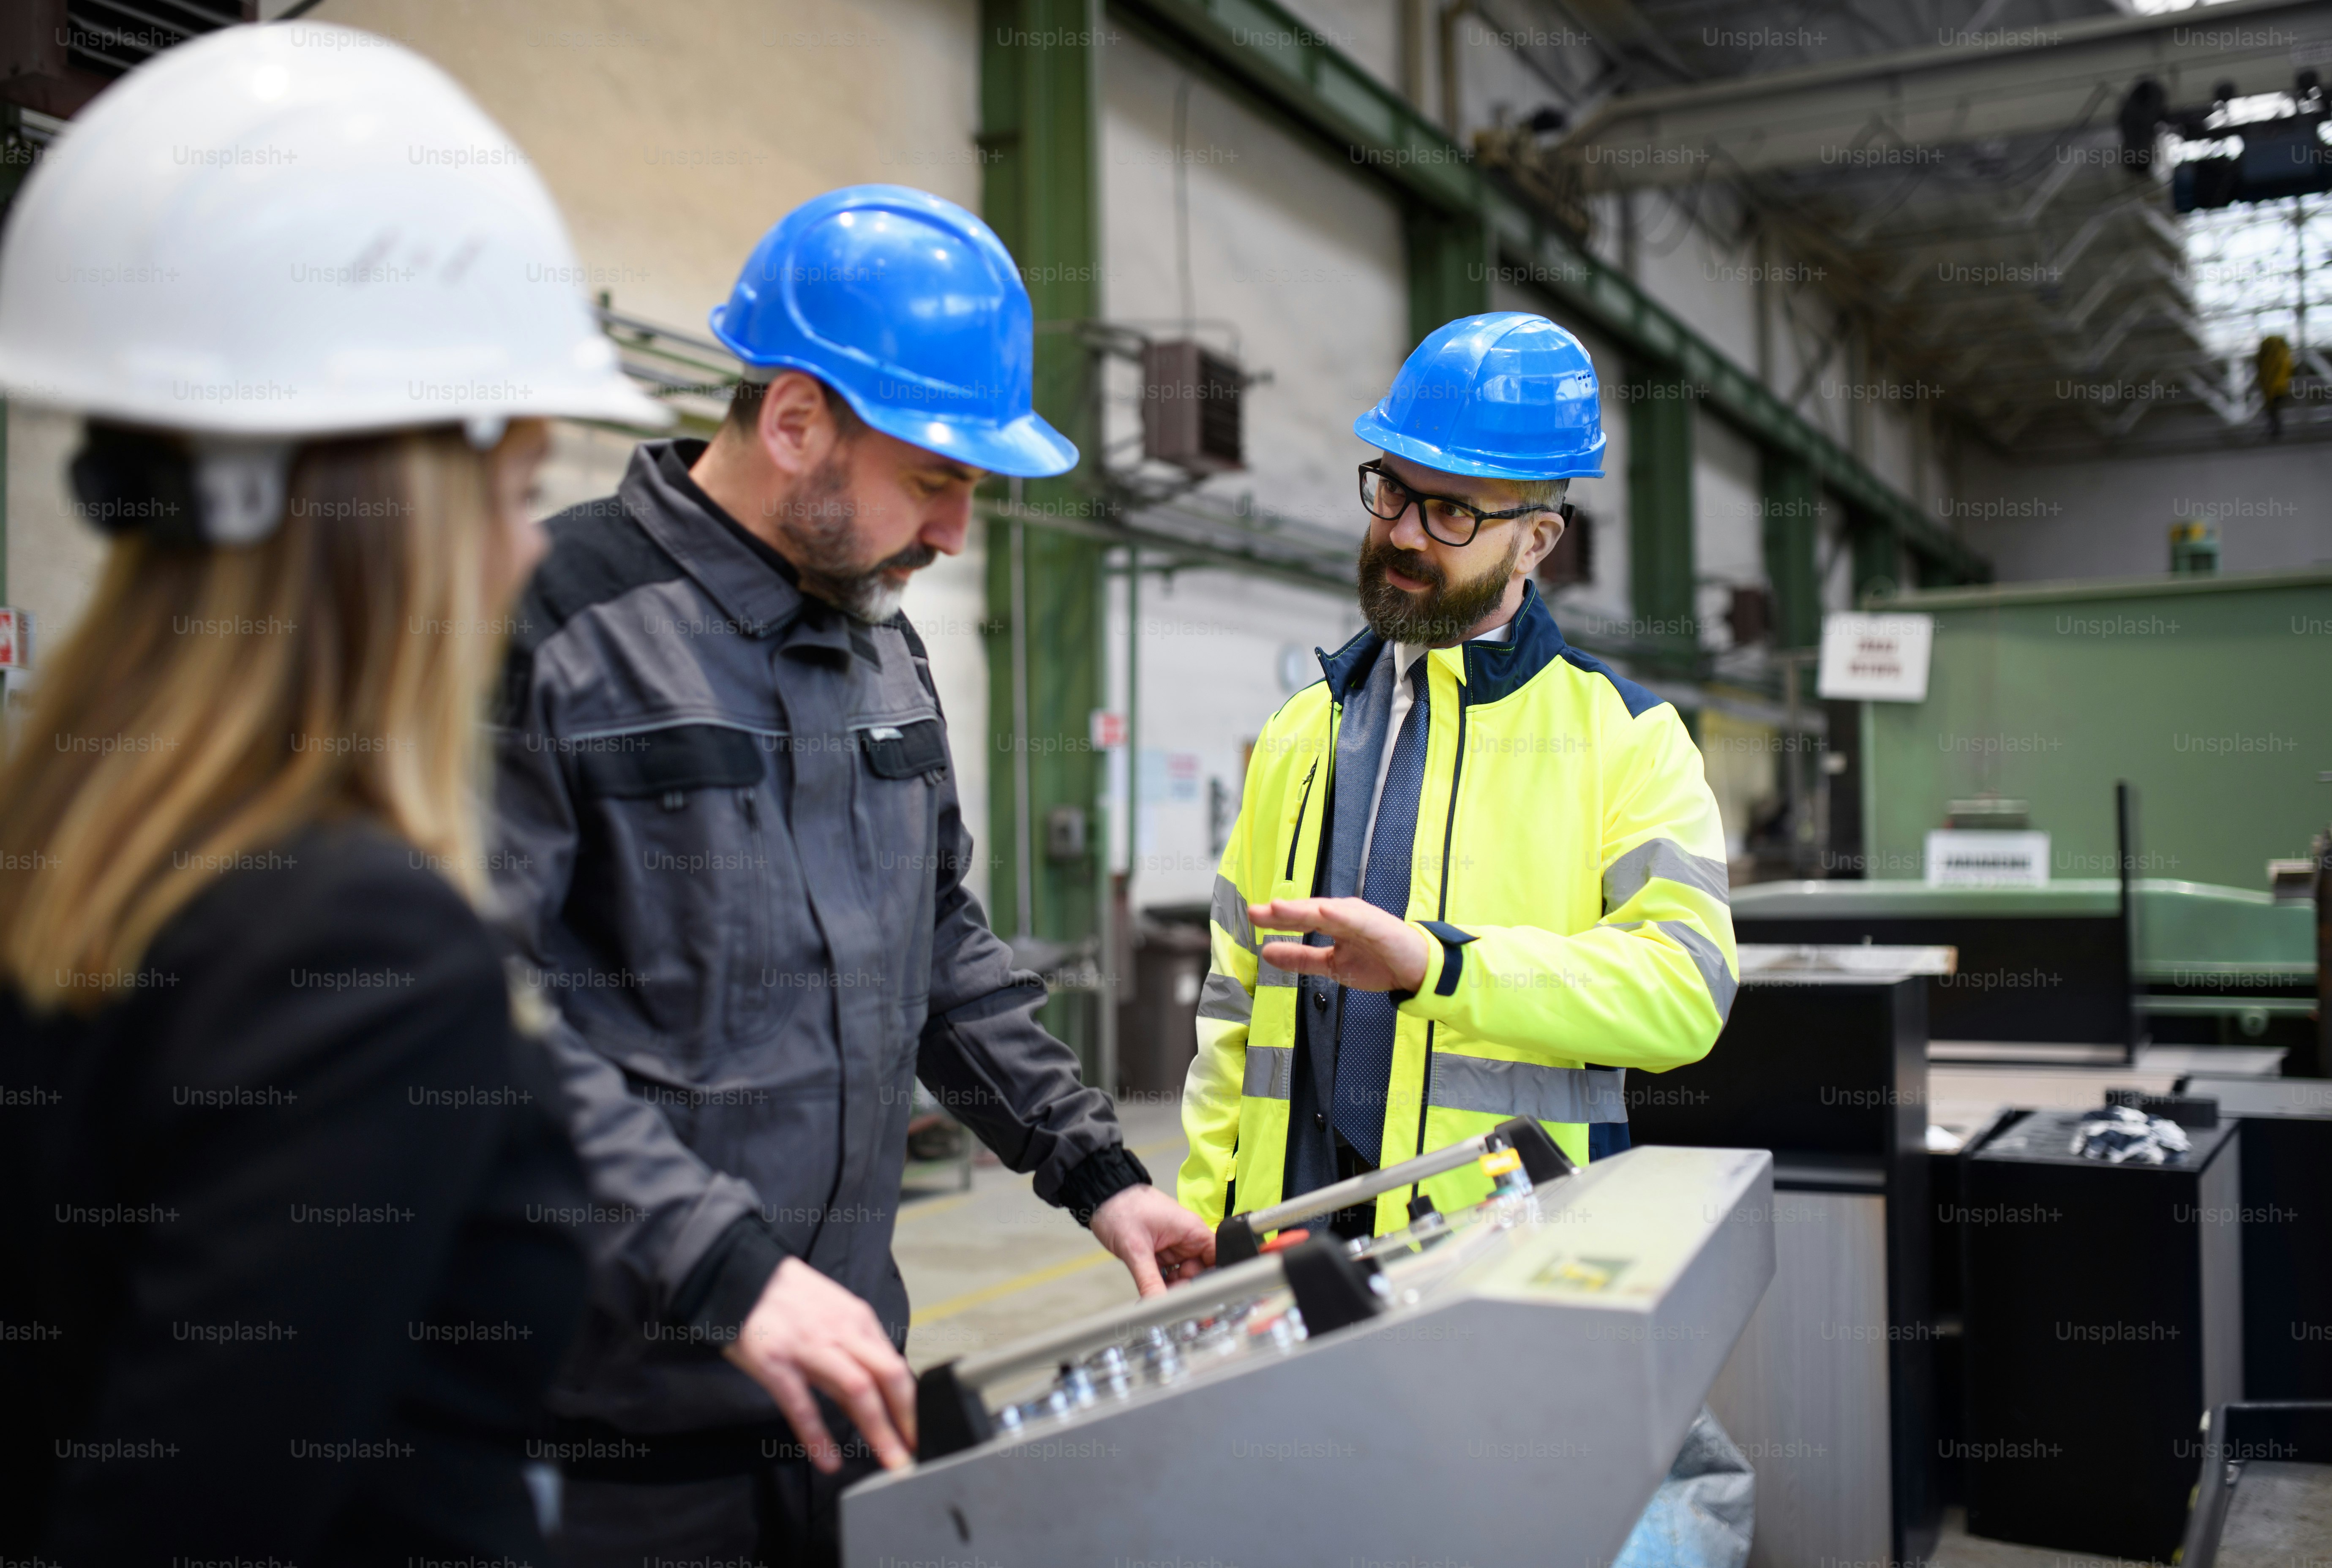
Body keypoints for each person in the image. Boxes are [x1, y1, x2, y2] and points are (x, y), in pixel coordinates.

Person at [0, 23, 666, 1559]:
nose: (527, 553)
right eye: (508, 497)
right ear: (392, 531)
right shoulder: (360, 947)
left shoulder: (72, 871)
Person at [488, 183, 1215, 1561]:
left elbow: (937, 950)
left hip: (835, 1390)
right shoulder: (554, 623)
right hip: (600, 1438)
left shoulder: (885, 651)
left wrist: (1096, 1168)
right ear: (795, 421)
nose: (953, 532)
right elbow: (474, 1015)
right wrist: (721, 1265)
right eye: (935, 477)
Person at [1177, 312, 1738, 1237]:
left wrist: (1444, 968)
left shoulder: (1628, 739)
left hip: (1502, 1239)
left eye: (1451, 512)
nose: (1402, 533)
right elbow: (1234, 1001)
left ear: (1537, 541)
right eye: (1391, 492)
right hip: (1286, 1232)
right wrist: (1208, 1213)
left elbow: (1686, 992)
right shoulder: (1299, 728)